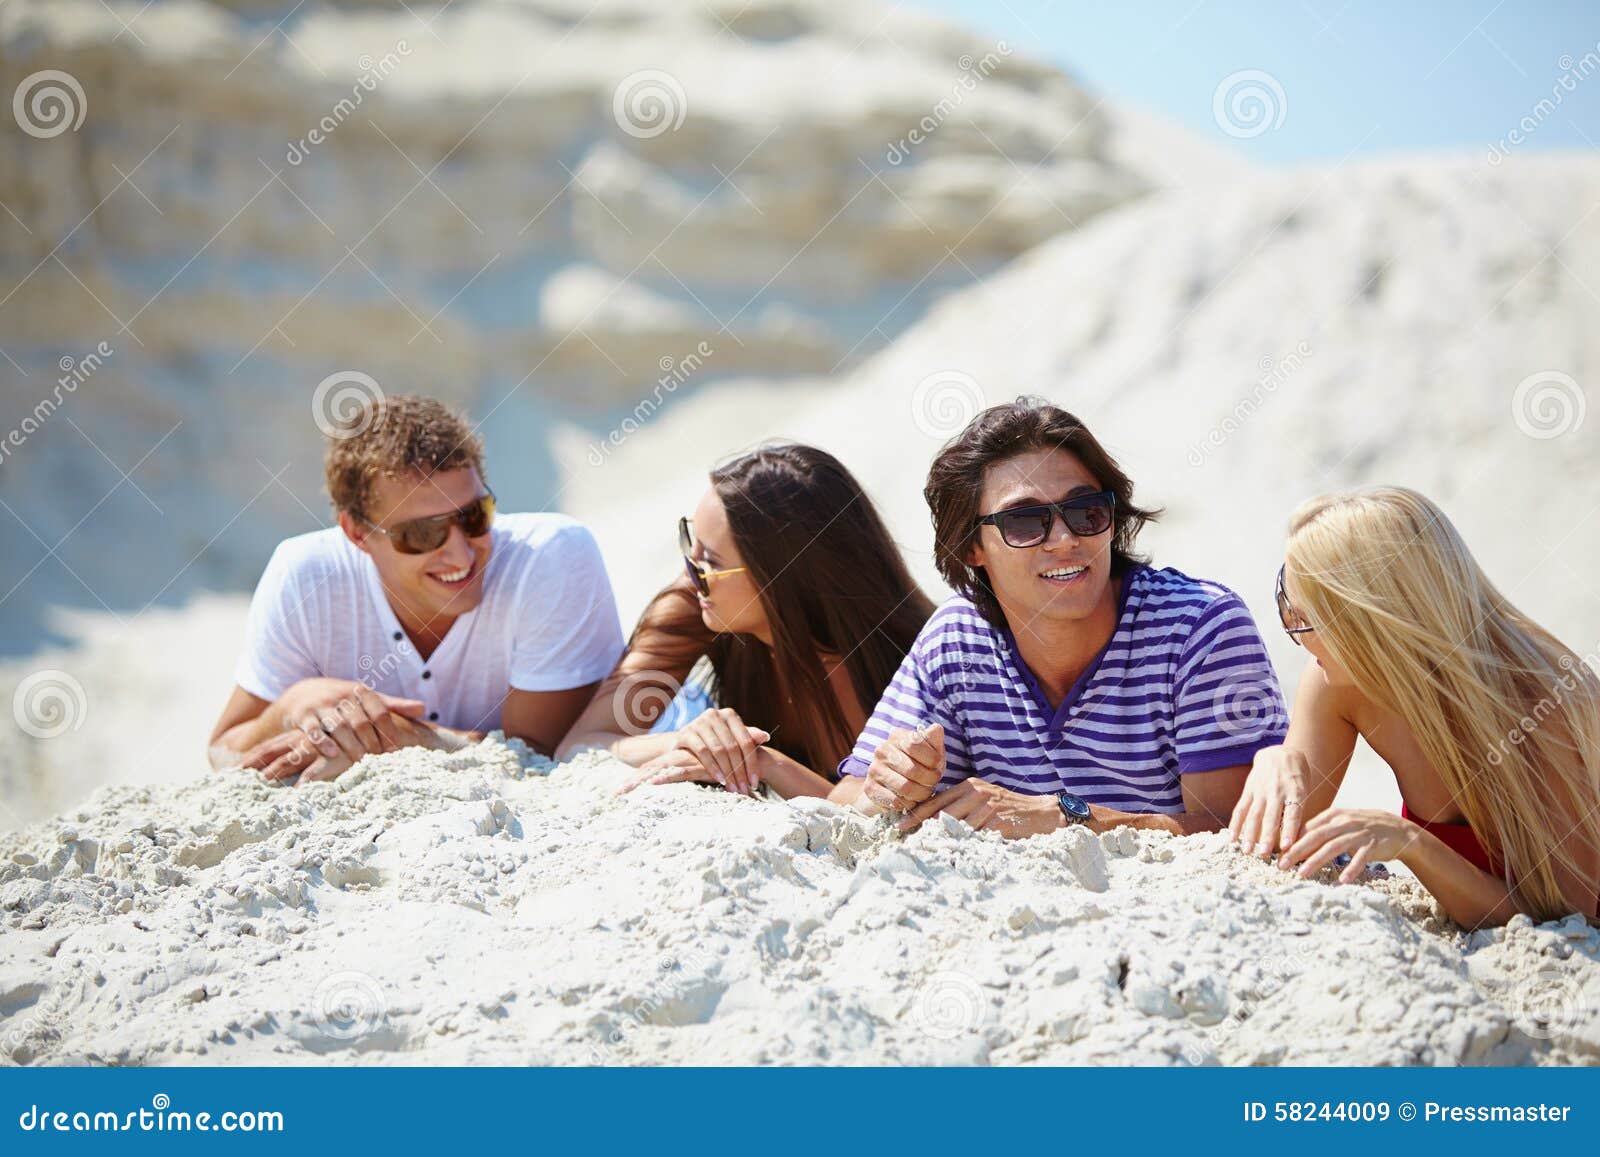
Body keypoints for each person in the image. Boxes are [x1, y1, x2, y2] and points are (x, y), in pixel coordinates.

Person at [830, 398, 1287, 837]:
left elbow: (1239, 833)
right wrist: (891, 785)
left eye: (1085, 511)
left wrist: (1068, 817)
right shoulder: (957, 638)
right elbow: (846, 801)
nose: (1065, 539)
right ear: (971, 548)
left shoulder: (1200, 628)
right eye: (1025, 522)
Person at [1229, 486, 1600, 925]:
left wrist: (1413, 844)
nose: (1296, 635)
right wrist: (1276, 758)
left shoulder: (1542, 701)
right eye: (1287, 609)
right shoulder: (1340, 679)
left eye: (1306, 618)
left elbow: (1573, 919)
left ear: (1374, 618)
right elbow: (1276, 843)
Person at [208, 394, 624, 781]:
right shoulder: (306, 576)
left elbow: (537, 758)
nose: (461, 555)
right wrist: (291, 706)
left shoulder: (550, 559)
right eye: (423, 534)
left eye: (475, 516)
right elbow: (223, 754)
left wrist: (397, 735)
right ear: (356, 534)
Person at [557, 443, 933, 799]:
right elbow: (577, 745)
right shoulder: (691, 608)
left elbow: (875, 814)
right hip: (689, 715)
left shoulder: (907, 657)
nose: (691, 571)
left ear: (780, 579)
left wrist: (763, 760)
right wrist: (688, 740)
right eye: (690, 543)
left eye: (711, 563)